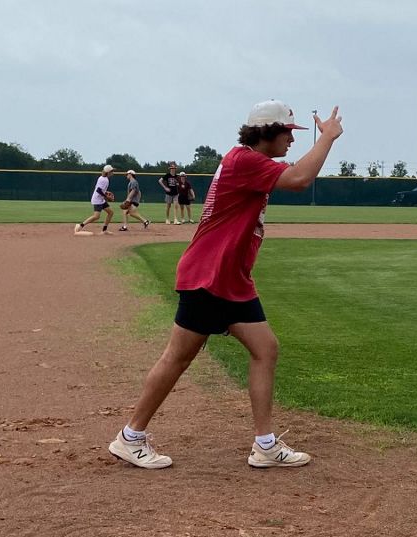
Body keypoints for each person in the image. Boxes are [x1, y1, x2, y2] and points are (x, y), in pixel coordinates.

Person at [108, 100, 344, 470]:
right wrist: (328, 137)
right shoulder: (244, 161)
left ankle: (265, 445)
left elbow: (291, 173)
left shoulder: (247, 160)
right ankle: (130, 437)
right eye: (287, 132)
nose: (291, 140)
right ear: (267, 132)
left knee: (265, 349)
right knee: (178, 357)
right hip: (210, 276)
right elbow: (299, 180)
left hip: (230, 278)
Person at [75, 165, 116, 235]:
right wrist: (107, 197)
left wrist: (106, 192)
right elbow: (98, 190)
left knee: (110, 213)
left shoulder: (102, 178)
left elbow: (99, 188)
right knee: (96, 216)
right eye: (112, 171)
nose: (113, 173)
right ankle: (80, 225)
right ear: (108, 172)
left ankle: (104, 230)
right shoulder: (104, 180)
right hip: (97, 200)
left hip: (101, 199)